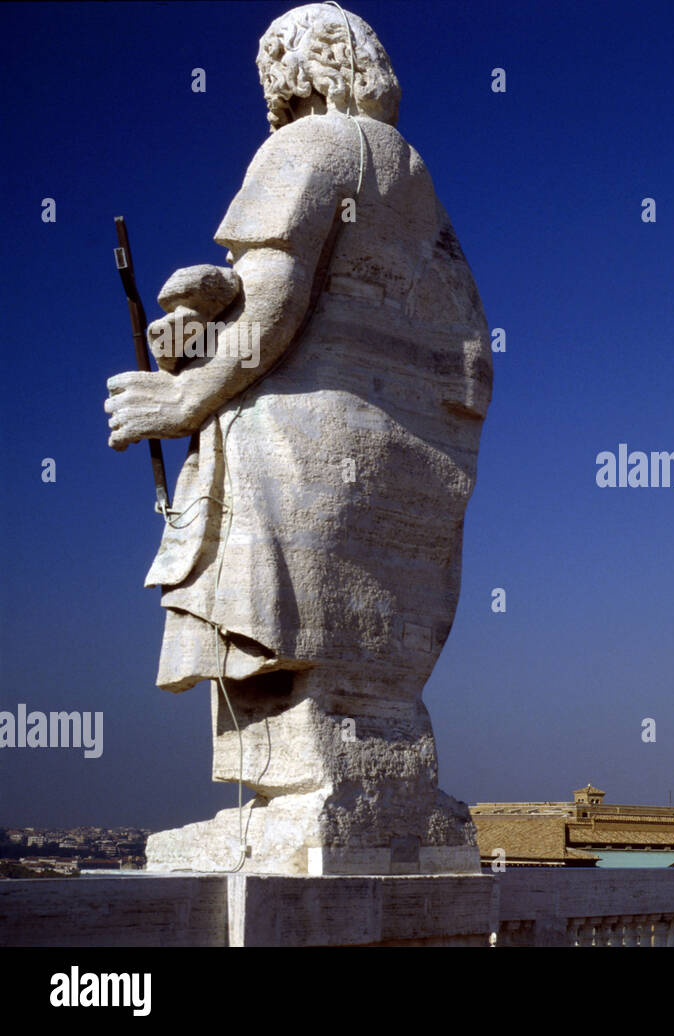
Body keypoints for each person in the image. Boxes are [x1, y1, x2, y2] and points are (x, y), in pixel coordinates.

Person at [103, 4, 491, 870]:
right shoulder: (413, 176)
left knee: (279, 627)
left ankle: (298, 800)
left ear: (298, 68)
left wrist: (187, 400)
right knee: (350, 667)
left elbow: (276, 303)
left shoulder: (309, 148)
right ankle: (379, 794)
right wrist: (210, 321)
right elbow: (368, 315)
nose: (268, 91)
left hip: (303, 457)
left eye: (273, 68)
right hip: (391, 459)